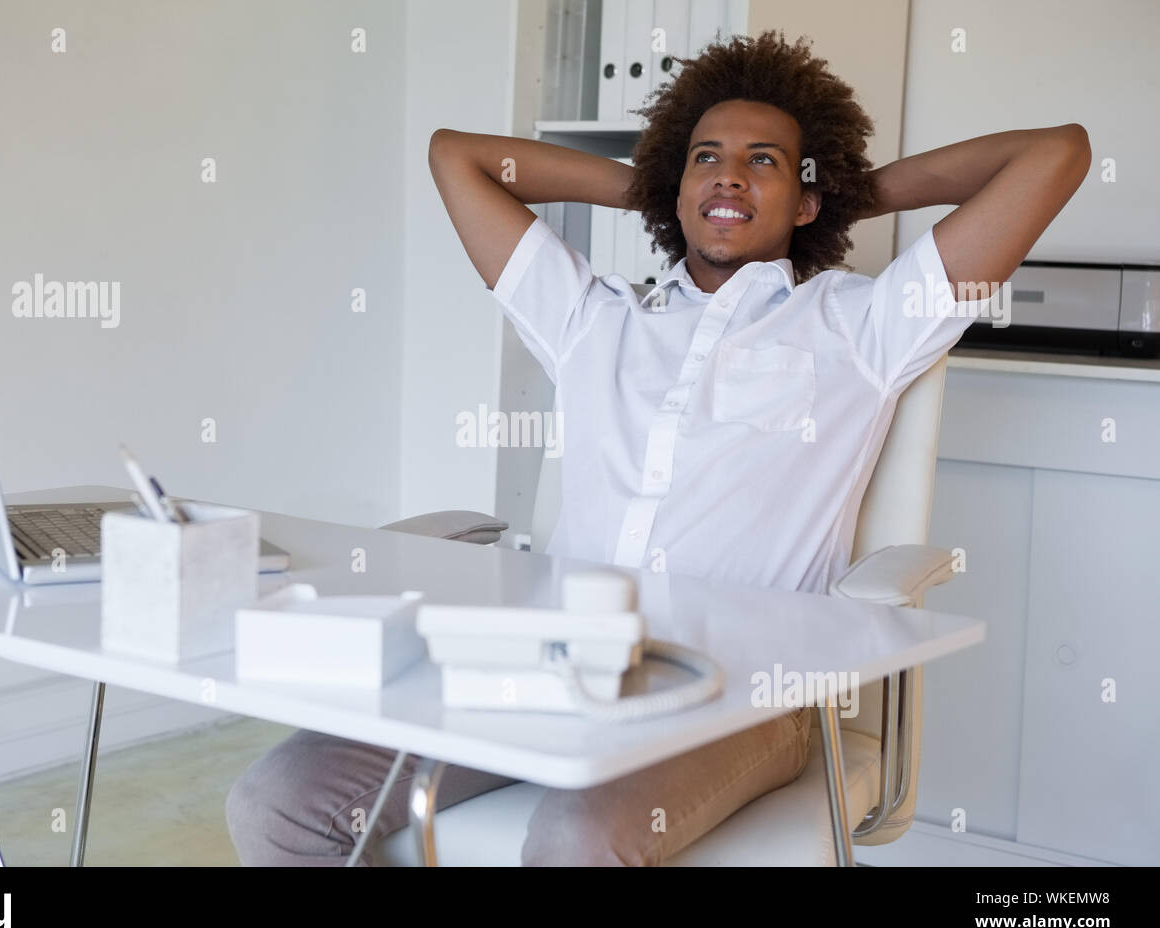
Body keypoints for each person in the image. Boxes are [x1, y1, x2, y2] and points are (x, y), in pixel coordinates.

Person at [226, 30, 1090, 866]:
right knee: (279, 802)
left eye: (765, 162)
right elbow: (458, 156)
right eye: (706, 157)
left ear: (808, 199)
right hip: (552, 660)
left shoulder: (864, 325)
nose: (729, 176)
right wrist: (654, 182)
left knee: (577, 837)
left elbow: (1058, 153)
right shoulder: (594, 319)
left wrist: (857, 188)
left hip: (746, 689)